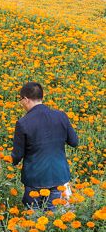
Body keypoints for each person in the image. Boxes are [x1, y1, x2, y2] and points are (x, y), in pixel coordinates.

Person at [12, 82, 78, 211]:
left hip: (35, 179)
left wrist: (10, 161)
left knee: (33, 221)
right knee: (55, 220)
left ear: (25, 99)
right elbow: (74, 142)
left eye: (20, 100)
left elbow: (17, 155)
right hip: (59, 176)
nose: (21, 103)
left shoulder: (23, 123)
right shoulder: (61, 116)